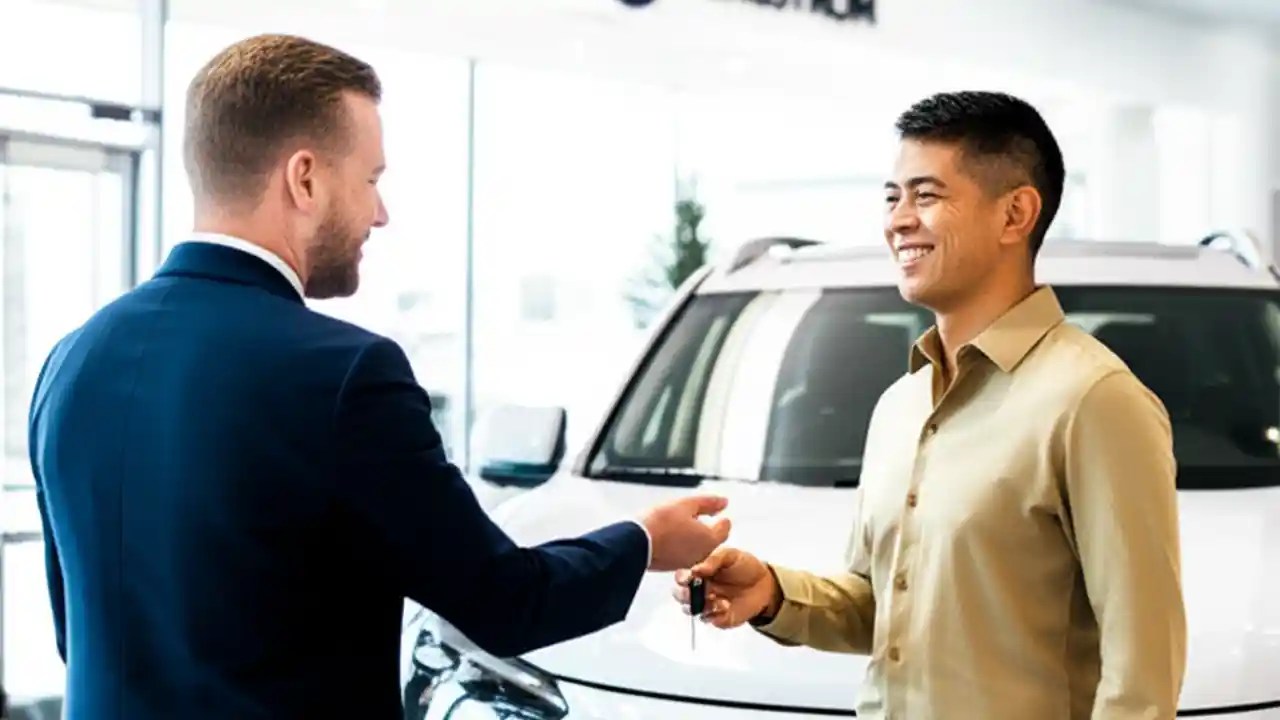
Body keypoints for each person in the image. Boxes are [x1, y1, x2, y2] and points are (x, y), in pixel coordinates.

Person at [29, 34, 731, 720]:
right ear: (304, 178)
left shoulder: (71, 361)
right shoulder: (345, 375)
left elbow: (78, 633)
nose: (381, 213)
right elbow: (504, 600)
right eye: (371, 179)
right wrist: (644, 542)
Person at [673, 91, 1186, 719]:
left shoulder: (1094, 400)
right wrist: (773, 593)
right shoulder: (901, 404)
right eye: (892, 197)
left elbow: (1141, 675)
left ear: (1015, 214)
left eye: (926, 195)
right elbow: (882, 609)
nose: (897, 221)